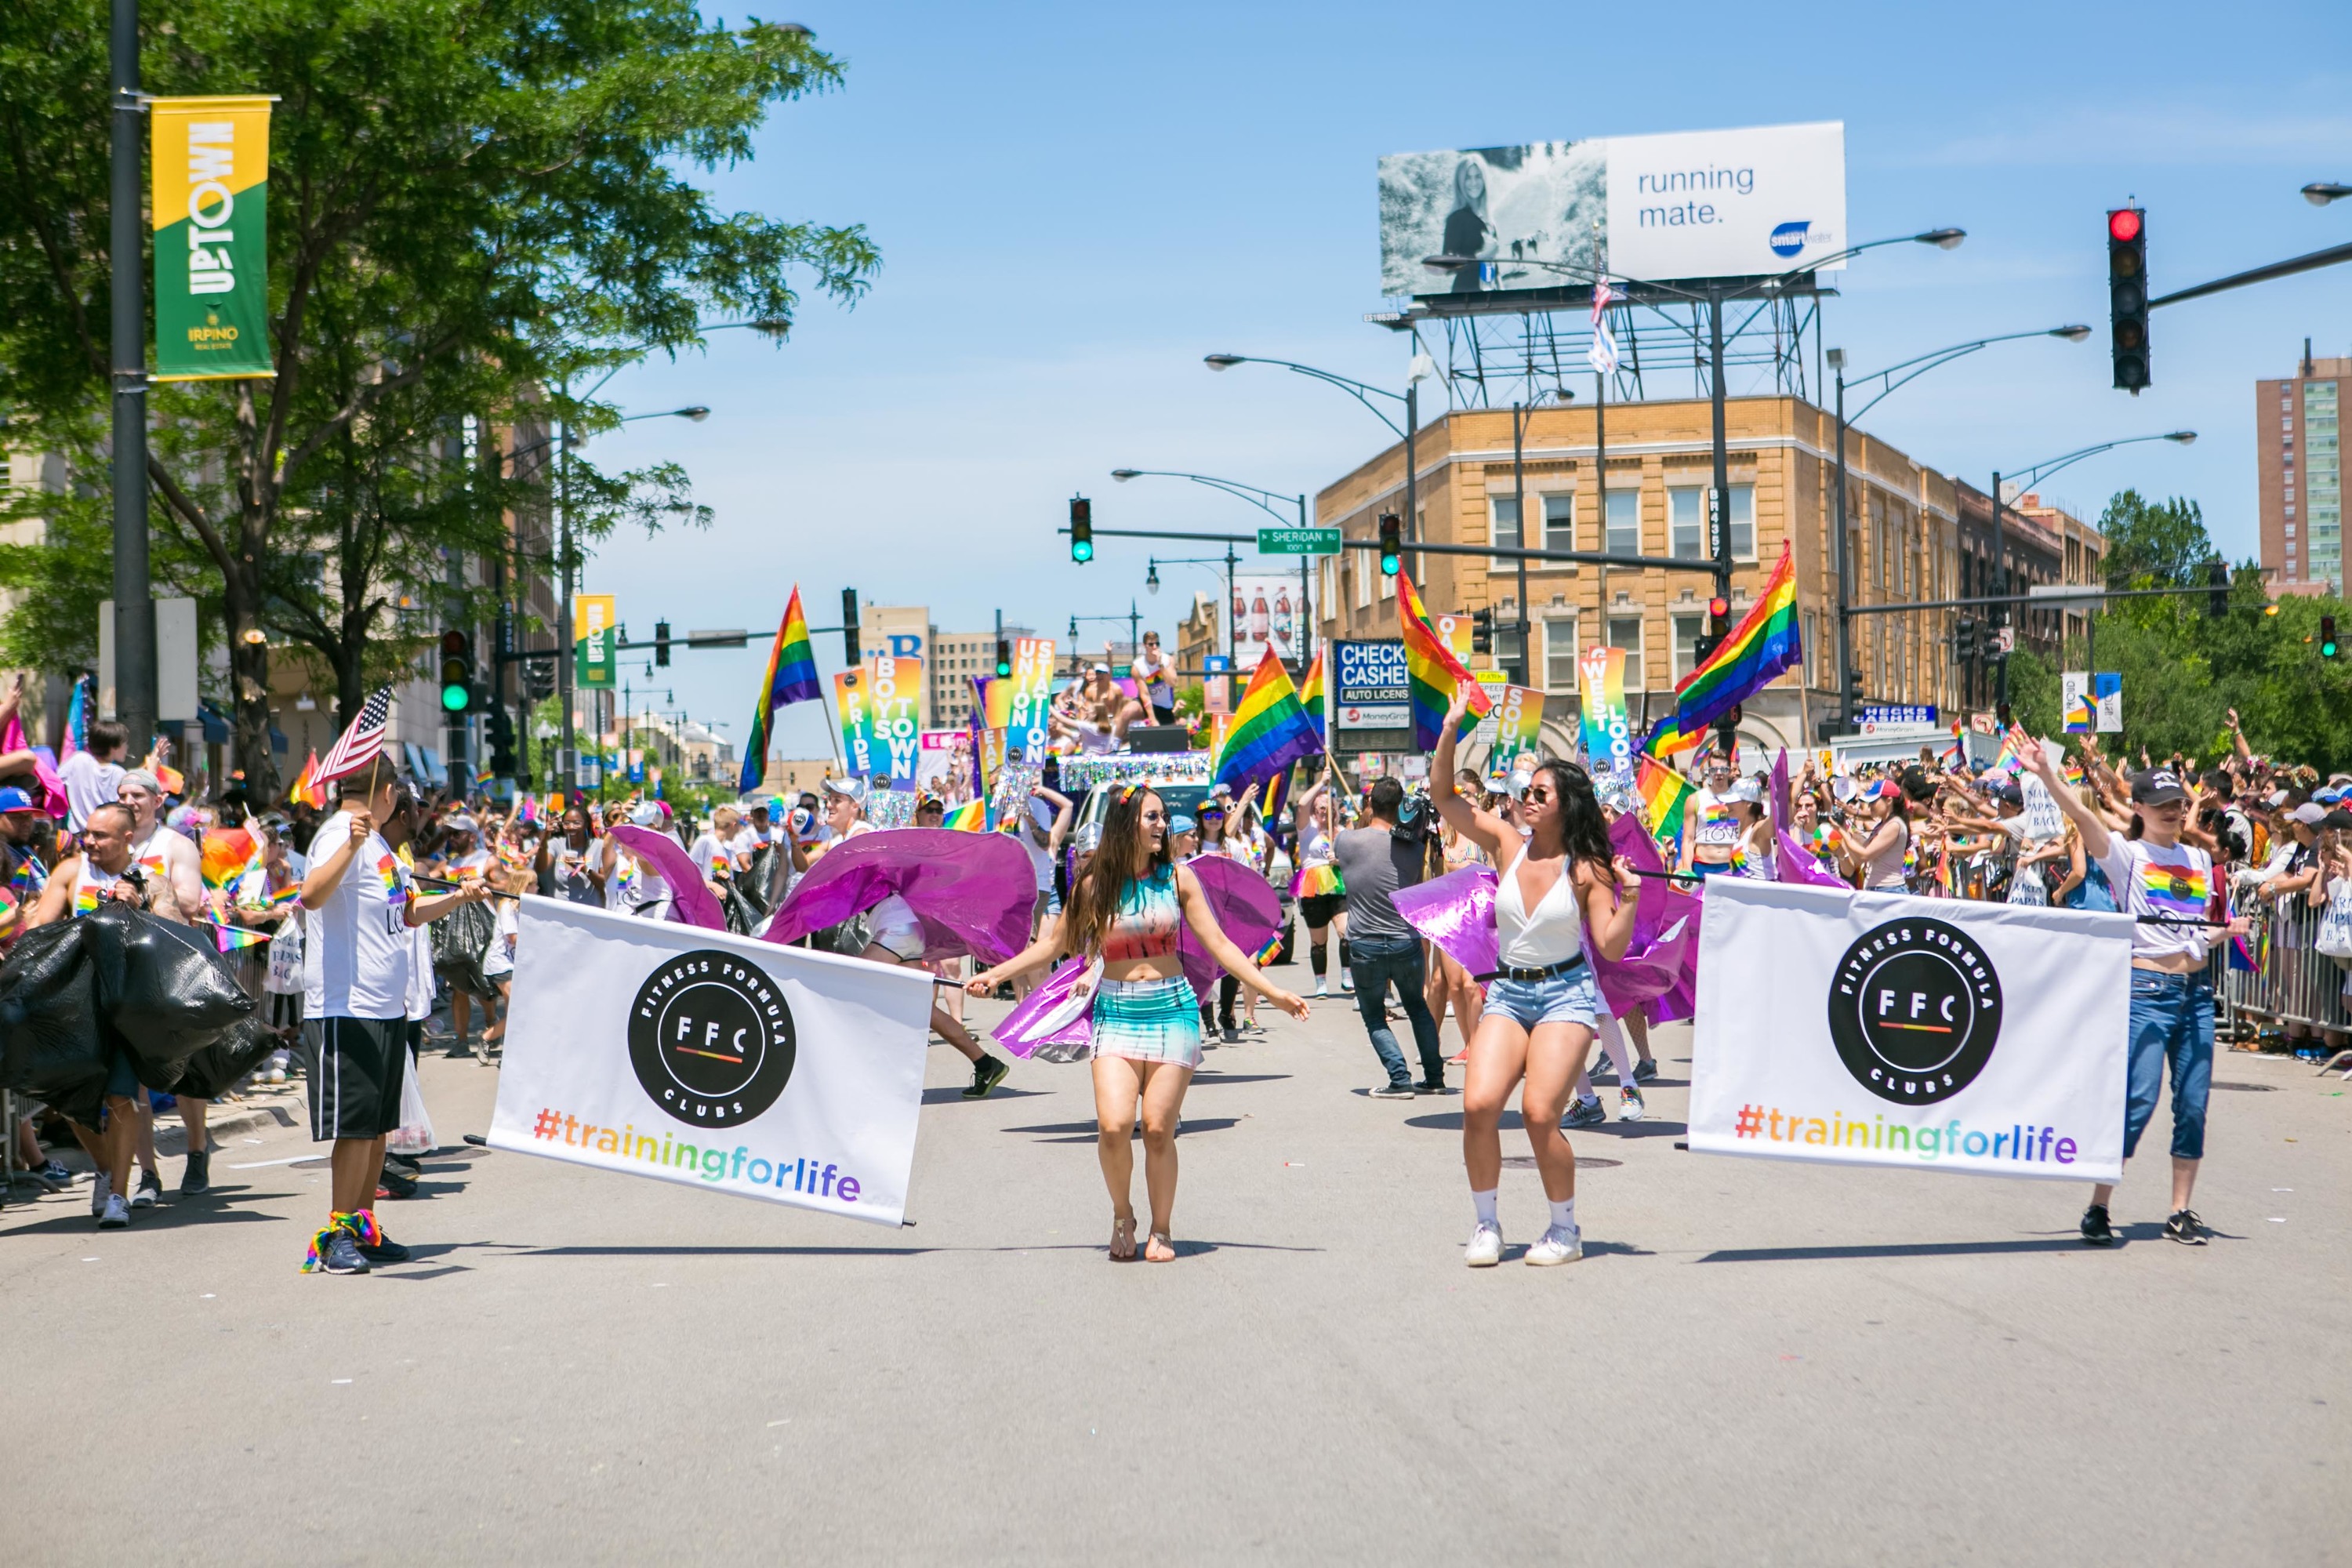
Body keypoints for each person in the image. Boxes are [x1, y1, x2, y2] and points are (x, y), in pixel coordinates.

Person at [966, 786, 1308, 1261]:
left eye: (1163, 818)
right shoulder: (1093, 886)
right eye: (1152, 817)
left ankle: (1161, 1230)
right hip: (1116, 1011)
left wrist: (1274, 992)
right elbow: (1051, 945)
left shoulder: (1179, 879)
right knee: (1113, 1126)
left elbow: (1221, 945)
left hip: (1173, 1009)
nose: (1162, 826)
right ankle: (1123, 1214)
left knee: (1155, 1130)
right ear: (1127, 824)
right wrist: (995, 974)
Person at [1433, 683, 1640, 1267]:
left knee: (1540, 1112)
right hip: (1509, 990)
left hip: (1565, 995)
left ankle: (1565, 1230)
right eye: (1526, 790)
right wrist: (1452, 729)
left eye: (1539, 792)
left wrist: (1628, 900)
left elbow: (1610, 946)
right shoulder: (1506, 843)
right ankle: (1487, 1225)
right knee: (1478, 1106)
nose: (1526, 798)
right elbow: (1446, 796)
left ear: (1564, 804)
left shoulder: (1588, 868)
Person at [2017, 734, 2244, 1247]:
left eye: (2180, 805)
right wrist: (2048, 774)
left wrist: (2225, 932)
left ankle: (2180, 1211)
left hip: (2195, 994)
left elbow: (2193, 932)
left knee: (2191, 1105)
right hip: (2146, 990)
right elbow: (2083, 814)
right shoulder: (2126, 855)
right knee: (2138, 1100)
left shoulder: (2199, 862)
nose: (2173, 812)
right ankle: (2099, 1206)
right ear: (2139, 808)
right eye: (2162, 805)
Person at [297, 763, 492, 1274]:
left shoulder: (381, 846)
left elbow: (404, 912)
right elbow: (312, 895)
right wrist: (351, 845)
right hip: (346, 1003)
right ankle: (335, 1237)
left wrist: (455, 896)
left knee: (378, 1128)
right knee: (355, 1128)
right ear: (386, 793)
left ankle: (363, 1228)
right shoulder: (340, 834)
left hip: (385, 1004)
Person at [808, 777, 1012, 1098]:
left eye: (837, 799)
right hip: (899, 927)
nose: (829, 804)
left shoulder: (861, 835)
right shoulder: (847, 839)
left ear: (855, 806)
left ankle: (850, 1077)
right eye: (828, 799)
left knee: (849, 988)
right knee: (924, 1010)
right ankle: (986, 1064)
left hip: (897, 929)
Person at [24, 801, 160, 1227]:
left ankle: (118, 1194)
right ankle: (105, 1168)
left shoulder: (148, 878)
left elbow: (172, 932)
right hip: (74, 1007)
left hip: (123, 1007)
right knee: (68, 1100)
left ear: (127, 838)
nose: (90, 841)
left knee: (121, 1096)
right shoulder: (70, 872)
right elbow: (40, 931)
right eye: (88, 833)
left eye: (101, 835)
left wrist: (140, 908)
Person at [1338, 776, 1448, 1098]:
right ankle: (1434, 1078)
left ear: (1370, 803)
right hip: (1405, 940)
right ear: (1401, 807)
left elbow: (1356, 834)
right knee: (1417, 1008)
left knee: (1374, 1016)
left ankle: (1399, 1078)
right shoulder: (1415, 846)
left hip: (1365, 943)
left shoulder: (1346, 841)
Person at [1292, 766, 1350, 1000]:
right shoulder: (1307, 830)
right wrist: (1321, 783)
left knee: (1346, 932)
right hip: (1313, 885)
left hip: (1339, 884)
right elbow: (1302, 804)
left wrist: (1340, 859)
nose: (1324, 811)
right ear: (1315, 812)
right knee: (1319, 940)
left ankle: (1348, 976)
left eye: (1328, 807)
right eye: (1320, 808)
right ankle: (1321, 983)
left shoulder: (1344, 831)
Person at [57, 717, 129, 834]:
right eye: (125, 743)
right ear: (114, 747)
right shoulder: (119, 773)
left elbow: (57, 781)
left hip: (76, 835)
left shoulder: (77, 760)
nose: (127, 748)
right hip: (106, 835)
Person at [1678, 754, 1743, 877]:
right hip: (1702, 867)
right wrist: (1687, 869)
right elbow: (1688, 839)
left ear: (1729, 771)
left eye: (1723, 769)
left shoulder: (1740, 799)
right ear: (1709, 772)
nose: (1718, 774)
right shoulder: (1694, 799)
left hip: (1732, 867)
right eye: (1714, 770)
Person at [1131, 631, 1177, 725]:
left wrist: (1160, 664)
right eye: (1151, 644)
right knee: (1130, 709)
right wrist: (1152, 719)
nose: (1155, 647)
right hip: (1147, 705)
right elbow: (1145, 695)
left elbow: (1172, 683)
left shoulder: (1168, 660)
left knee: (1170, 735)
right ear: (1145, 645)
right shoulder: (1137, 666)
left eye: (1157, 644)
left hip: (1165, 706)